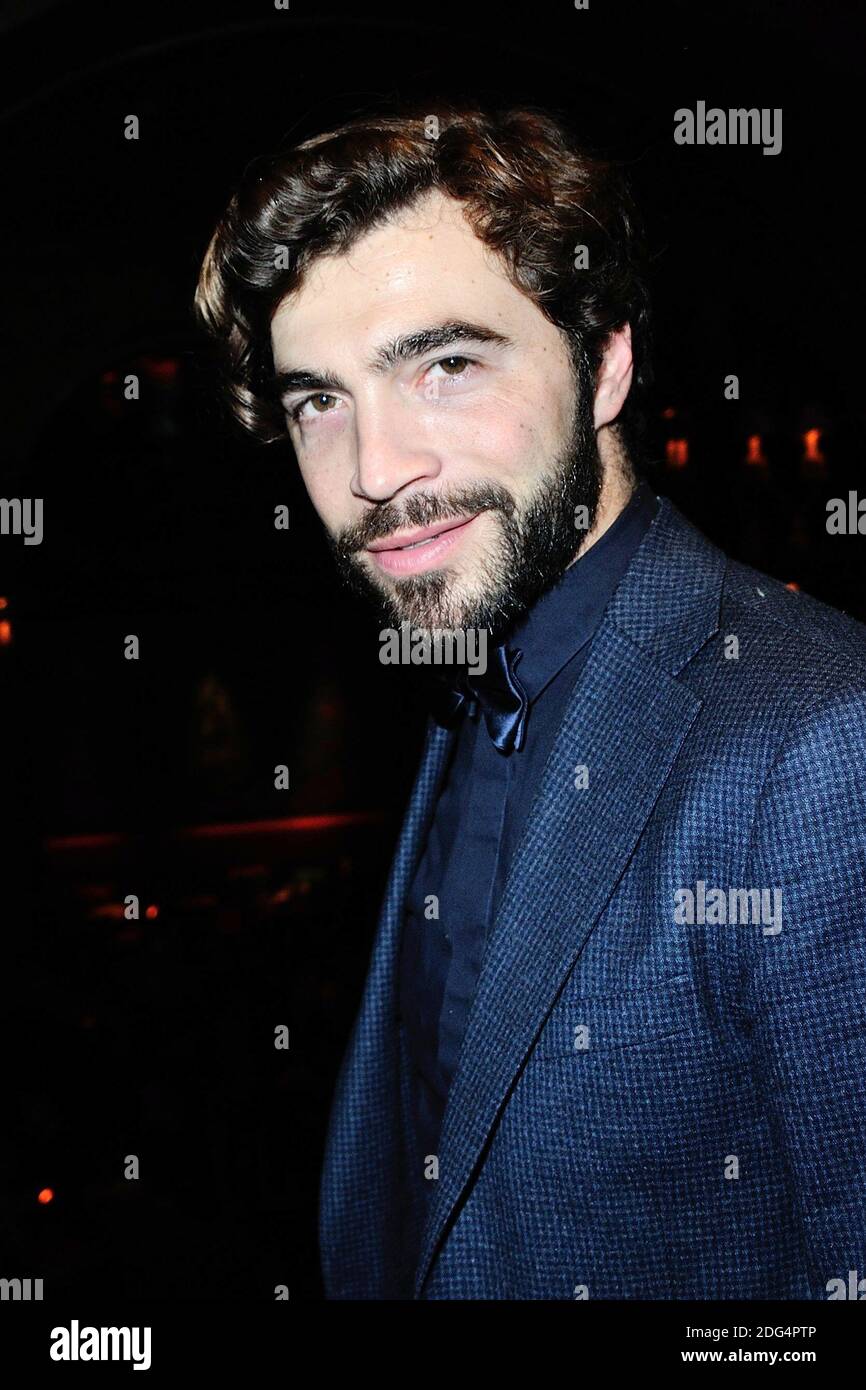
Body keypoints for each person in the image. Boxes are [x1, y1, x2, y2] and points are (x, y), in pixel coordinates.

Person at [194, 102, 866, 1300]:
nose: (372, 471)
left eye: (444, 365)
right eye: (319, 401)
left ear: (601, 359)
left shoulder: (822, 738)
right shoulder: (472, 663)